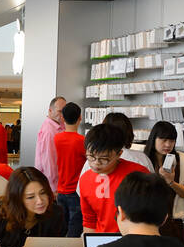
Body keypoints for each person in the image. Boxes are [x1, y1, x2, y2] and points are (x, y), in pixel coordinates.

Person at [78, 123, 148, 233]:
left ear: (119, 153)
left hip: (131, 241)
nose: (96, 163)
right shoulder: (85, 179)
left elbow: (149, 216)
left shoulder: (138, 175)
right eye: (91, 156)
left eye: (104, 159)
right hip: (101, 242)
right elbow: (89, 220)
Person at [144, 120, 184, 242]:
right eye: (163, 140)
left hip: (172, 224)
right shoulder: (143, 160)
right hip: (147, 223)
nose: (168, 145)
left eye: (171, 141)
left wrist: (171, 182)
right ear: (154, 139)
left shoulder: (182, 161)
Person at [52, 101, 85, 238]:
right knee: (74, 229)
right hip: (76, 192)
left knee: (61, 227)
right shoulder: (82, 141)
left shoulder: (56, 138)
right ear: (80, 118)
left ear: (63, 118)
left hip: (60, 190)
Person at [34, 96, 66, 188]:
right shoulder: (49, 131)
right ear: (50, 111)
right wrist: (53, 186)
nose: (63, 114)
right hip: (50, 183)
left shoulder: (60, 126)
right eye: (60, 111)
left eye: (64, 111)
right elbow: (48, 160)